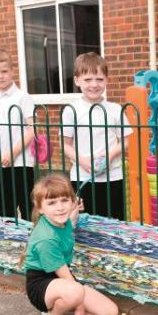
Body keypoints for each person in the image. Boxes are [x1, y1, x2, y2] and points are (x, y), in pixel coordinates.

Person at [24, 173, 119, 315]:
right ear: (39, 208)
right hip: (41, 284)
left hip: (62, 280)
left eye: (64, 200)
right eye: (51, 203)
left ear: (73, 202)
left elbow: (71, 216)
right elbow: (66, 277)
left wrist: (74, 208)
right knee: (75, 293)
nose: (60, 207)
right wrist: (79, 307)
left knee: (109, 313)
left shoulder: (63, 220)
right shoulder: (46, 239)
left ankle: (63, 302)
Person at [61, 52, 132, 220]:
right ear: (77, 80)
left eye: (99, 79)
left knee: (114, 222)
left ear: (107, 80)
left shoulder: (115, 109)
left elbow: (125, 141)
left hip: (113, 176)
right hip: (82, 176)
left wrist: (109, 156)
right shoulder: (71, 110)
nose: (94, 84)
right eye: (88, 79)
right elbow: (65, 144)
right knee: (85, 222)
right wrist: (83, 161)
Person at [0, 48, 36, 220]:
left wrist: (12, 153)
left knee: (25, 202)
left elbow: (33, 129)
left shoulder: (22, 97)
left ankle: (28, 237)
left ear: (12, 71)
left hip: (20, 162)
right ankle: (10, 238)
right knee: (3, 204)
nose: (0, 76)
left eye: (4, 71)